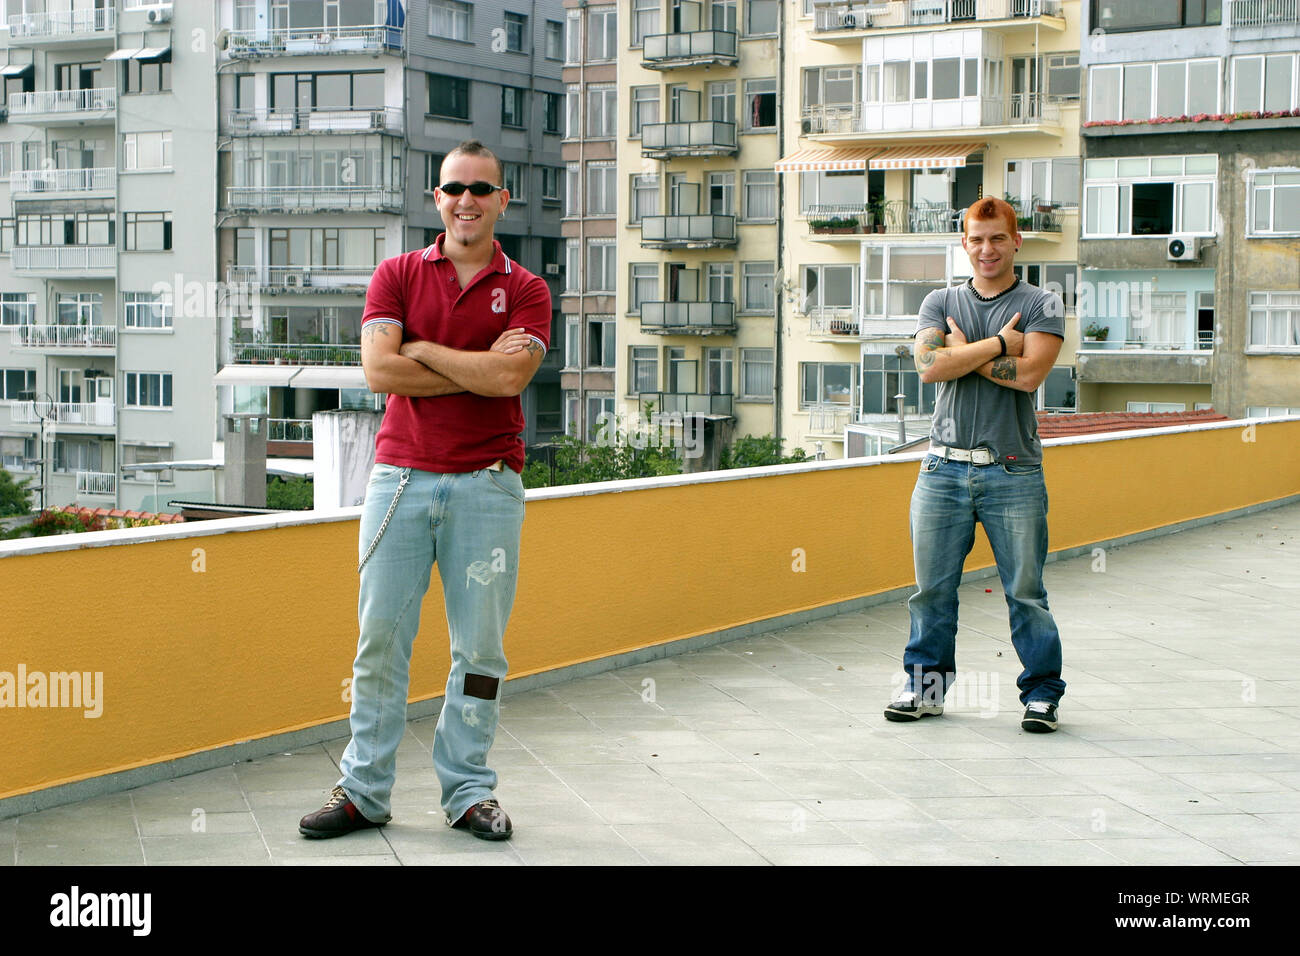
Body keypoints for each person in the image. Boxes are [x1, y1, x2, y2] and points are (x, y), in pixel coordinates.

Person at [299, 140, 551, 840]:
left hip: (487, 488)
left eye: (481, 188)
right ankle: (363, 791)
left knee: (479, 651)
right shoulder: (398, 275)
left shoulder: (527, 290)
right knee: (380, 640)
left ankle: (469, 791)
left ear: (503, 200)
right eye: (453, 188)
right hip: (400, 480)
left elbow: (508, 381)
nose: (466, 199)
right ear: (435, 198)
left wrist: (424, 351)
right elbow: (380, 372)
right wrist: (472, 366)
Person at [884, 196, 1066, 733]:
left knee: (1026, 592)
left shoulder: (1042, 303)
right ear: (964, 243)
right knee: (931, 592)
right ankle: (925, 690)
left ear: (1016, 242)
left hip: (1013, 472)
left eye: (997, 238)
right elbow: (928, 366)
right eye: (976, 239)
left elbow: (1030, 376)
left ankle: (1041, 695)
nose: (987, 249)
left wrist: (964, 354)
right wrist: (997, 345)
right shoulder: (938, 301)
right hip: (941, 470)